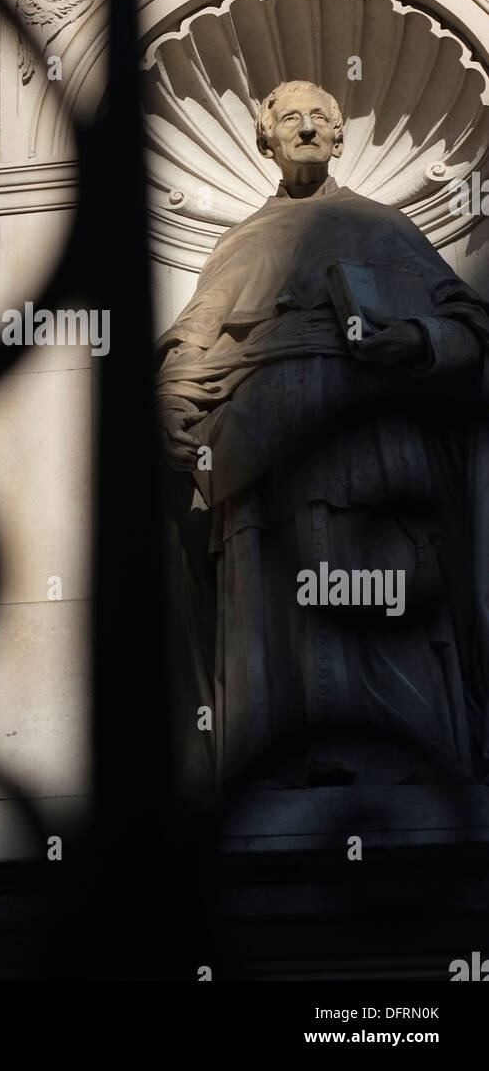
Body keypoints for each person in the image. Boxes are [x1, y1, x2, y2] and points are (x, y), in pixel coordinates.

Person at [157, 80, 489, 788]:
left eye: (320, 118)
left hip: (369, 427)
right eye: (289, 118)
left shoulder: (386, 228)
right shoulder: (241, 240)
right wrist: (172, 402)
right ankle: (277, 764)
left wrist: (412, 337)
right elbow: (194, 340)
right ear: (264, 140)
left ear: (340, 137)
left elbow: (468, 331)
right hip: (260, 430)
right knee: (267, 592)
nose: (306, 127)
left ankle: (402, 757)